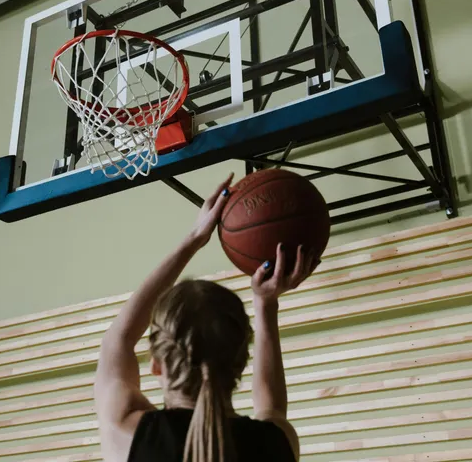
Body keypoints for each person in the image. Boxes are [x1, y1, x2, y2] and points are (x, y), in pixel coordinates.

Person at [94, 174, 317, 462]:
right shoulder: (277, 442)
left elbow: (117, 341)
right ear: (239, 364)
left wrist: (194, 239)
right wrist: (266, 302)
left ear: (157, 365)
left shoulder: (125, 431)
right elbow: (272, 409)